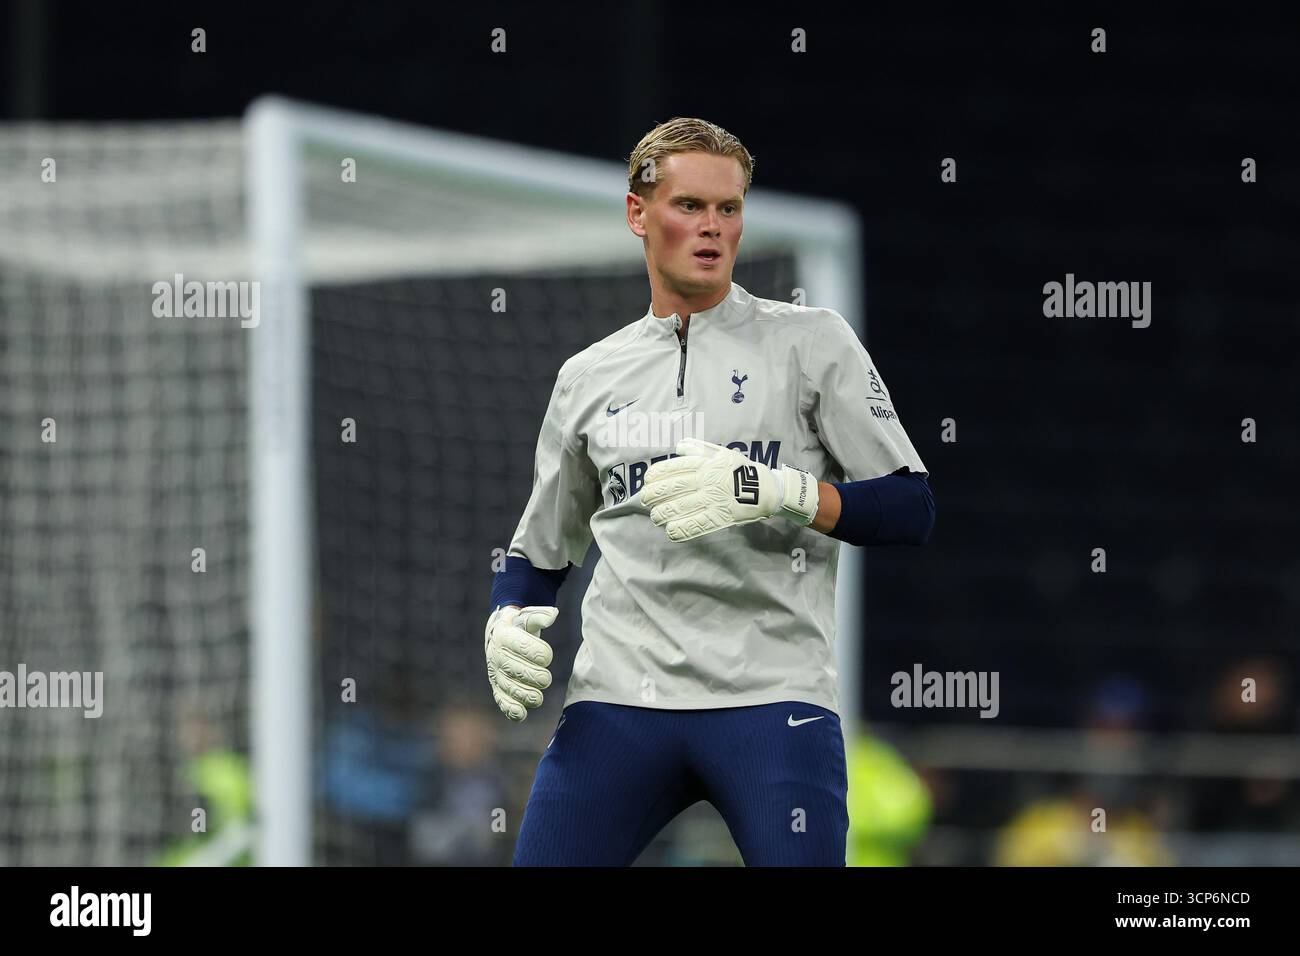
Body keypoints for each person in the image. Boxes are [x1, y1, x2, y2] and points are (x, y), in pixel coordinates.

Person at [486, 117, 934, 866]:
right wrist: (504, 616)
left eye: (728, 209)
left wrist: (785, 491)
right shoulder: (588, 376)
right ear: (638, 213)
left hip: (774, 697)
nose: (712, 227)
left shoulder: (812, 342)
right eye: (689, 206)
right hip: (619, 700)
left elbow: (911, 507)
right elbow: (543, 550)